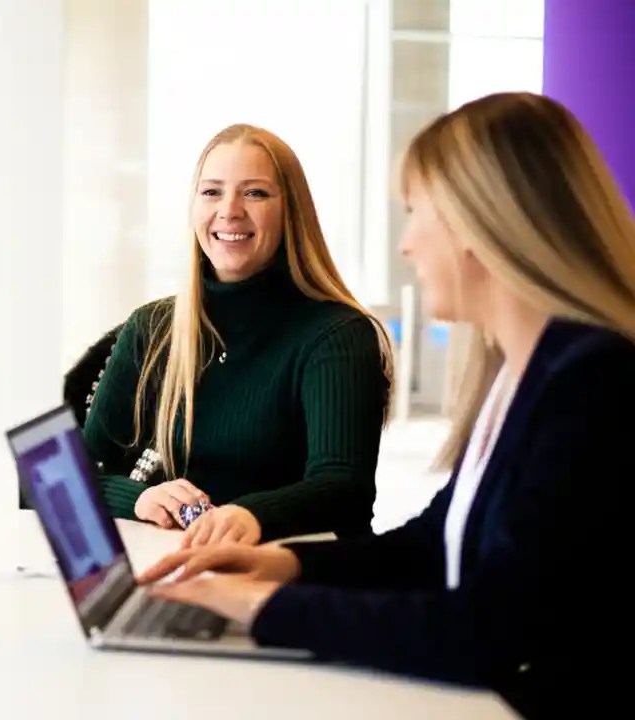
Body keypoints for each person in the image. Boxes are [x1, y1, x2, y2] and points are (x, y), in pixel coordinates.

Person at [137, 92, 634, 718]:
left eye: (417, 212)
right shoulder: (526, 376)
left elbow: (485, 628)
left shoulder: (592, 387)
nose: (407, 245)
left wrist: (259, 606)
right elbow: (432, 546)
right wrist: (279, 564)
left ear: (484, 225)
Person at [83, 124, 393, 546]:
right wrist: (138, 498)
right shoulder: (153, 328)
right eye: (212, 192)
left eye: (255, 193)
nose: (229, 210)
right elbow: (66, 479)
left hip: (287, 581)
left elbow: (343, 490)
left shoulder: (337, 335)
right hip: (174, 565)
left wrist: (241, 516)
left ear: (291, 211)